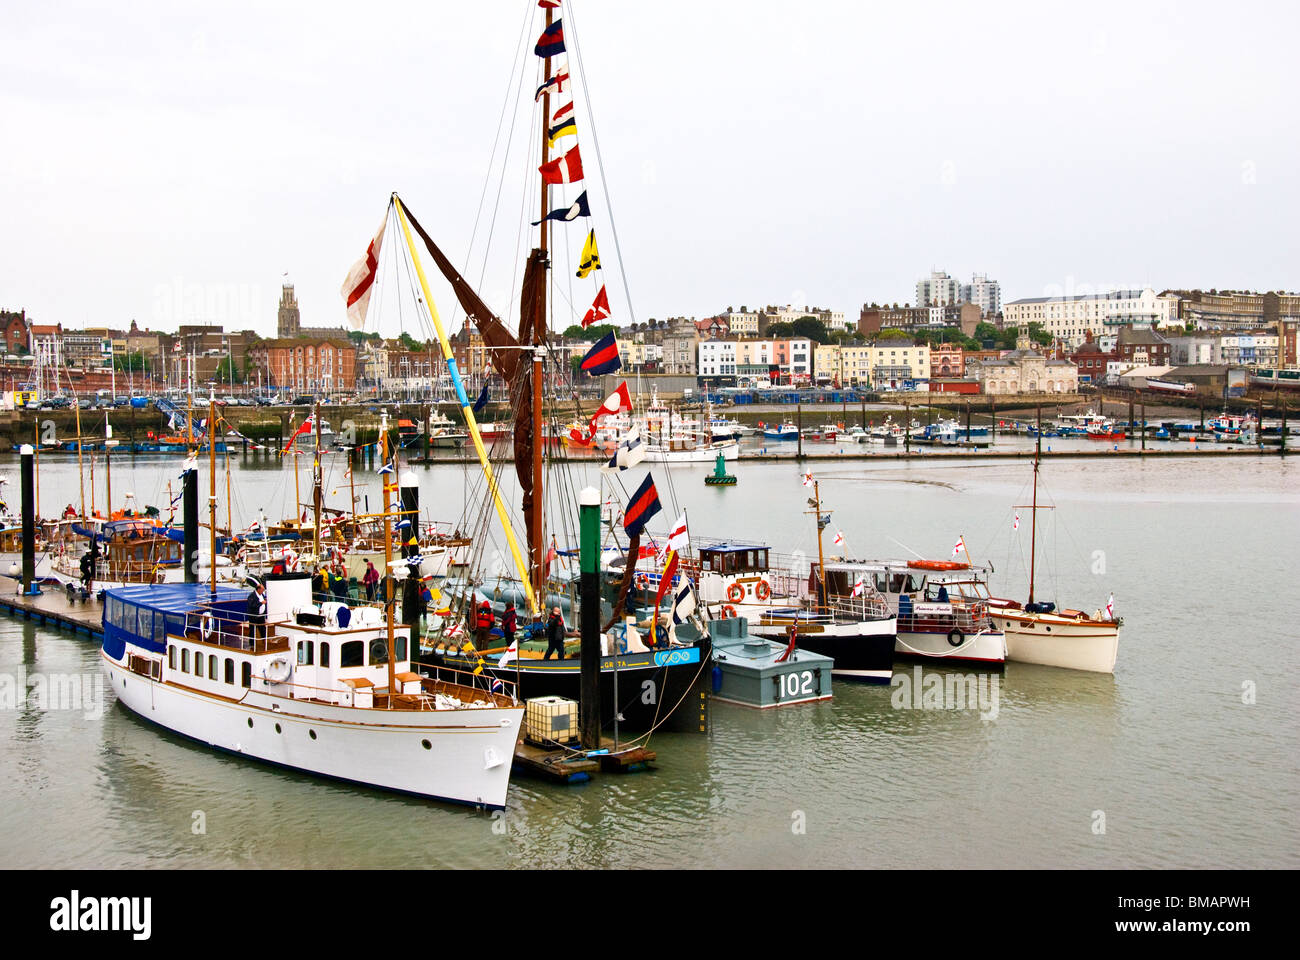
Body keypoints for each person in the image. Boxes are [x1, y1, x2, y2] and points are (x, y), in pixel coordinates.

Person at [245, 581, 268, 648]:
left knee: (263, 629)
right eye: (262, 589)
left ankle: (264, 642)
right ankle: (252, 644)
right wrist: (261, 603)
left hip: (261, 616)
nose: (263, 591)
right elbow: (252, 605)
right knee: (252, 630)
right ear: (258, 589)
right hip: (254, 616)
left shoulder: (262, 595)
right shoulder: (252, 596)